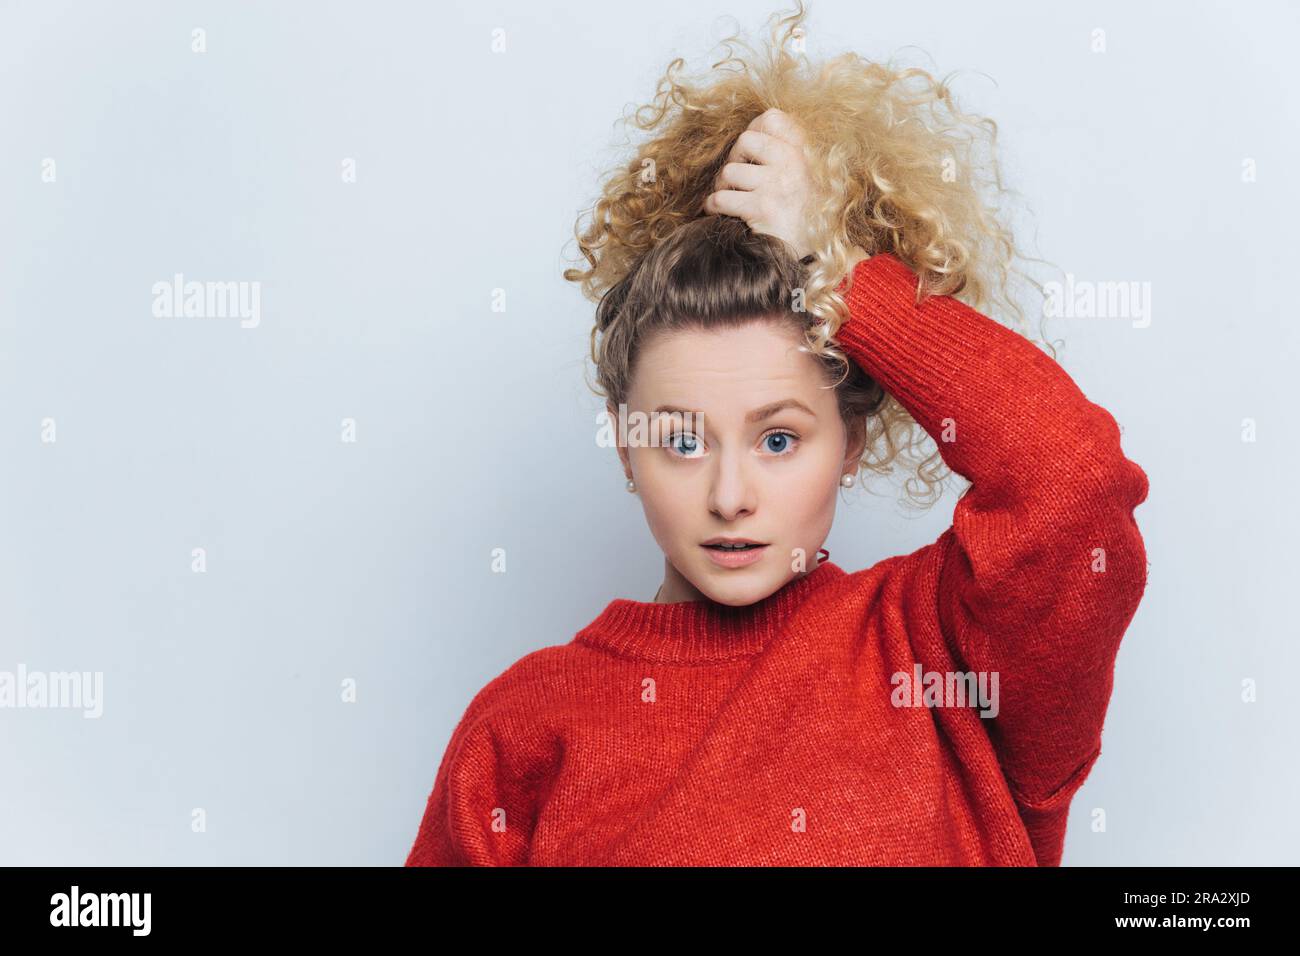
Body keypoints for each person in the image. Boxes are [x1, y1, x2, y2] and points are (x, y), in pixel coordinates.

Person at [405, 13, 1149, 867]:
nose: (730, 496)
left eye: (781, 441)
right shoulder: (524, 730)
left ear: (854, 441)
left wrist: (847, 284)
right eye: (682, 441)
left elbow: (1073, 478)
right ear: (622, 445)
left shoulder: (944, 657)